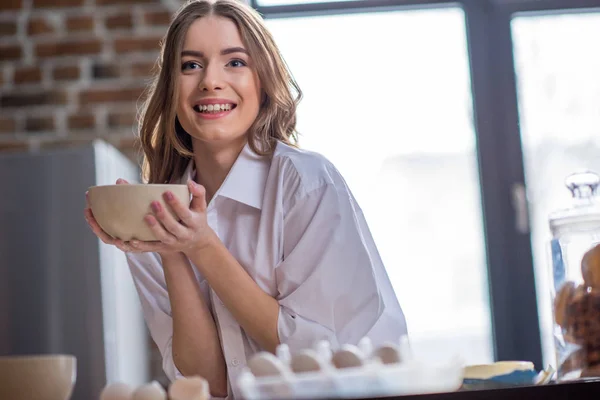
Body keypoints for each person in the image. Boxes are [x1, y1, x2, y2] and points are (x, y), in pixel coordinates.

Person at [84, 0, 407, 398]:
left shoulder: (305, 183)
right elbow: (210, 382)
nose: (210, 81)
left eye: (235, 62)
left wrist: (201, 246)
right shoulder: (155, 216)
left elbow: (319, 358)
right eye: (190, 65)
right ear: (171, 89)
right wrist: (170, 252)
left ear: (263, 81)